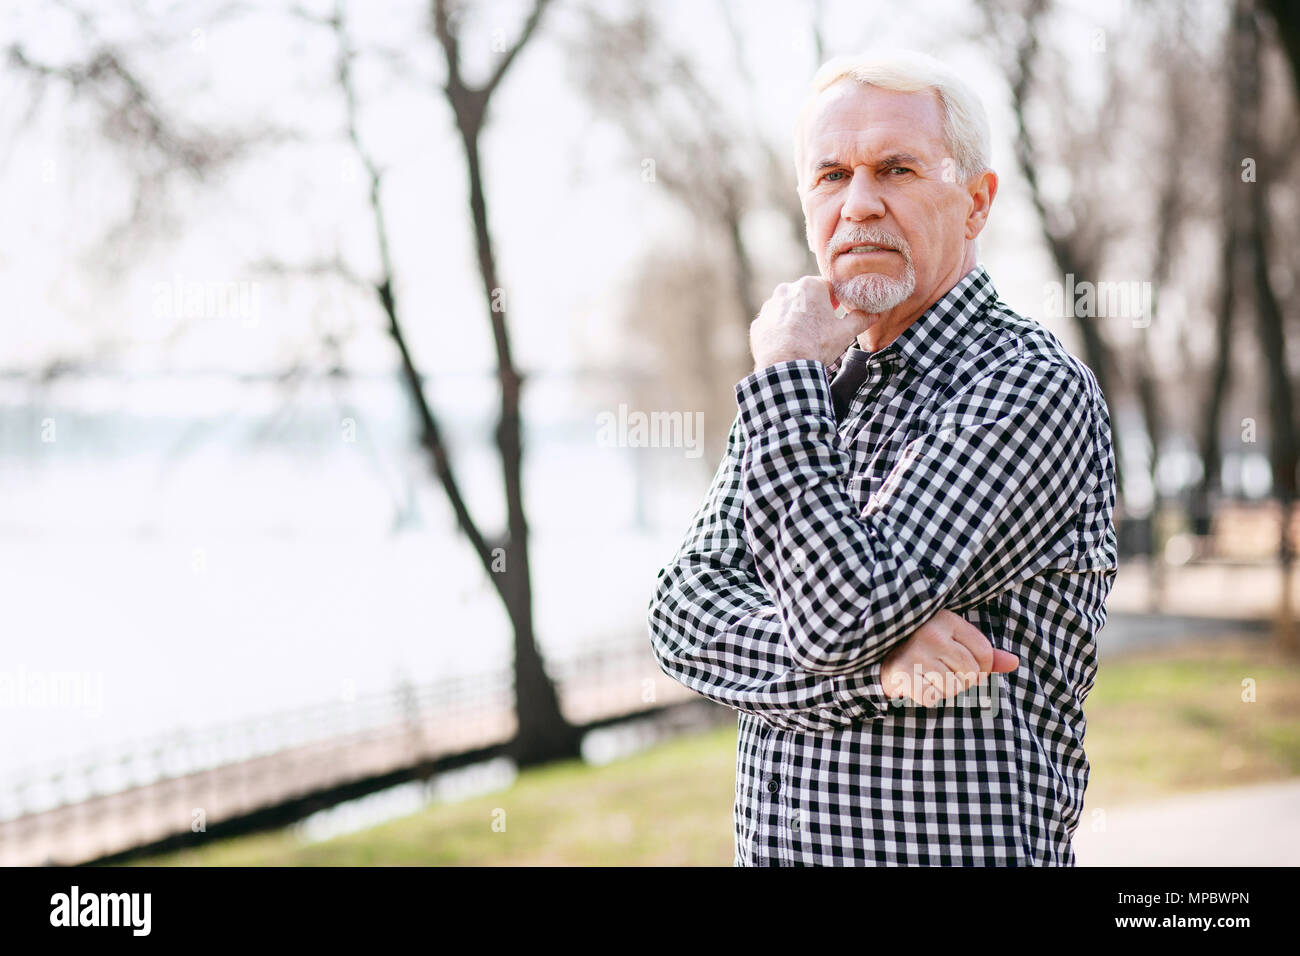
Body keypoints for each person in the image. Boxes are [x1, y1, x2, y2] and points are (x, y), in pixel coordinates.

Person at [646, 50, 1118, 866]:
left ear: (975, 203)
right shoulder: (811, 391)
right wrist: (881, 669)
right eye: (829, 176)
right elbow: (681, 615)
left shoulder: (1028, 388)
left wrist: (786, 375)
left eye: (896, 169)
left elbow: (841, 615)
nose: (858, 204)